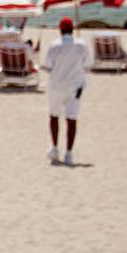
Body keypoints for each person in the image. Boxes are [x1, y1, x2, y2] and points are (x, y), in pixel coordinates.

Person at [42, 17, 91, 165]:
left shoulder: (54, 45)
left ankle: (55, 148)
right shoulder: (82, 45)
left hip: (56, 86)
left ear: (60, 30)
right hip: (75, 86)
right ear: (72, 29)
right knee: (72, 118)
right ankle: (69, 153)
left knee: (54, 116)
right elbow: (87, 64)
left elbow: (48, 65)